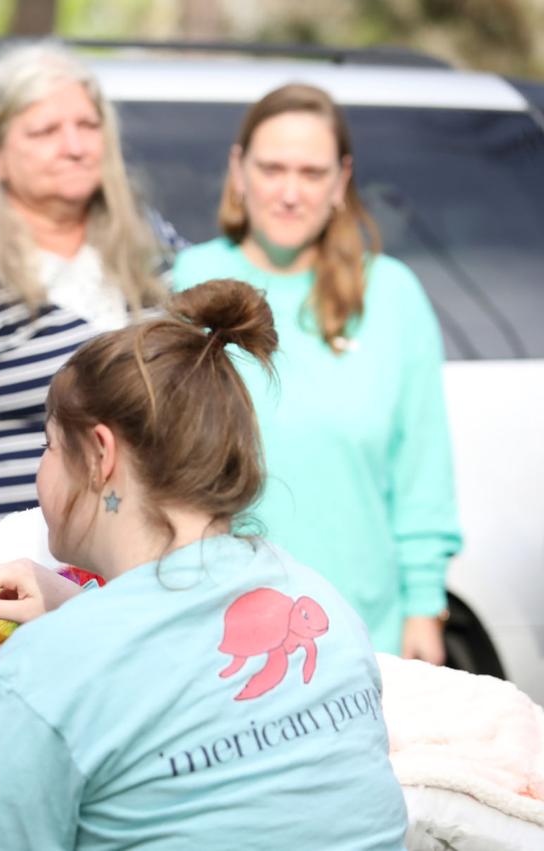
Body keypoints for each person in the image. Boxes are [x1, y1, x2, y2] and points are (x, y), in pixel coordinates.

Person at [0, 279, 407, 849]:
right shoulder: (319, 600)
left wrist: (71, 635)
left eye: (50, 446)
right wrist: (80, 610)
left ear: (101, 455)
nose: (42, 469)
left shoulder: (41, 675)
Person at [171, 83, 461, 661]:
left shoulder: (392, 294)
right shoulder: (190, 280)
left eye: (311, 172)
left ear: (340, 180)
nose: (289, 192)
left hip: (363, 630)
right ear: (239, 169)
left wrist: (424, 607)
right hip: (223, 627)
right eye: (272, 168)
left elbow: (421, 469)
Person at [0, 41, 178, 520]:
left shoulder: (152, 248)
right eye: (46, 130)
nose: (75, 146)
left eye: (88, 126)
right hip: (26, 567)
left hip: (159, 552)